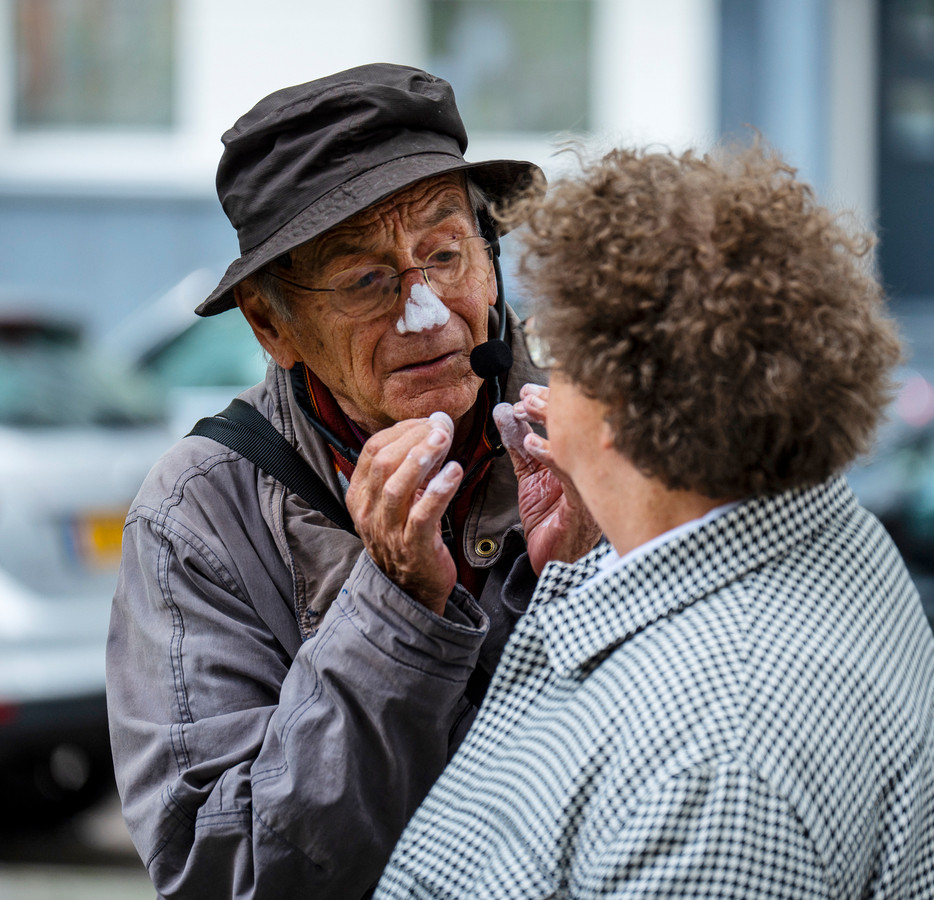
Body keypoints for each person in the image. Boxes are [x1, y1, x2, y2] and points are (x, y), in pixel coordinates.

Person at [376, 143, 934, 899]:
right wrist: (572, 570)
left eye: (556, 352)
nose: (541, 386)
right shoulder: (816, 519)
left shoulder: (721, 773)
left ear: (621, 412)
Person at [106, 64, 598, 899]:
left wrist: (584, 583)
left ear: (491, 253)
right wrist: (394, 608)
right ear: (272, 324)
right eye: (365, 280)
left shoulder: (598, 431)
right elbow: (226, 875)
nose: (429, 313)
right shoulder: (197, 515)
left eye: (445, 254)